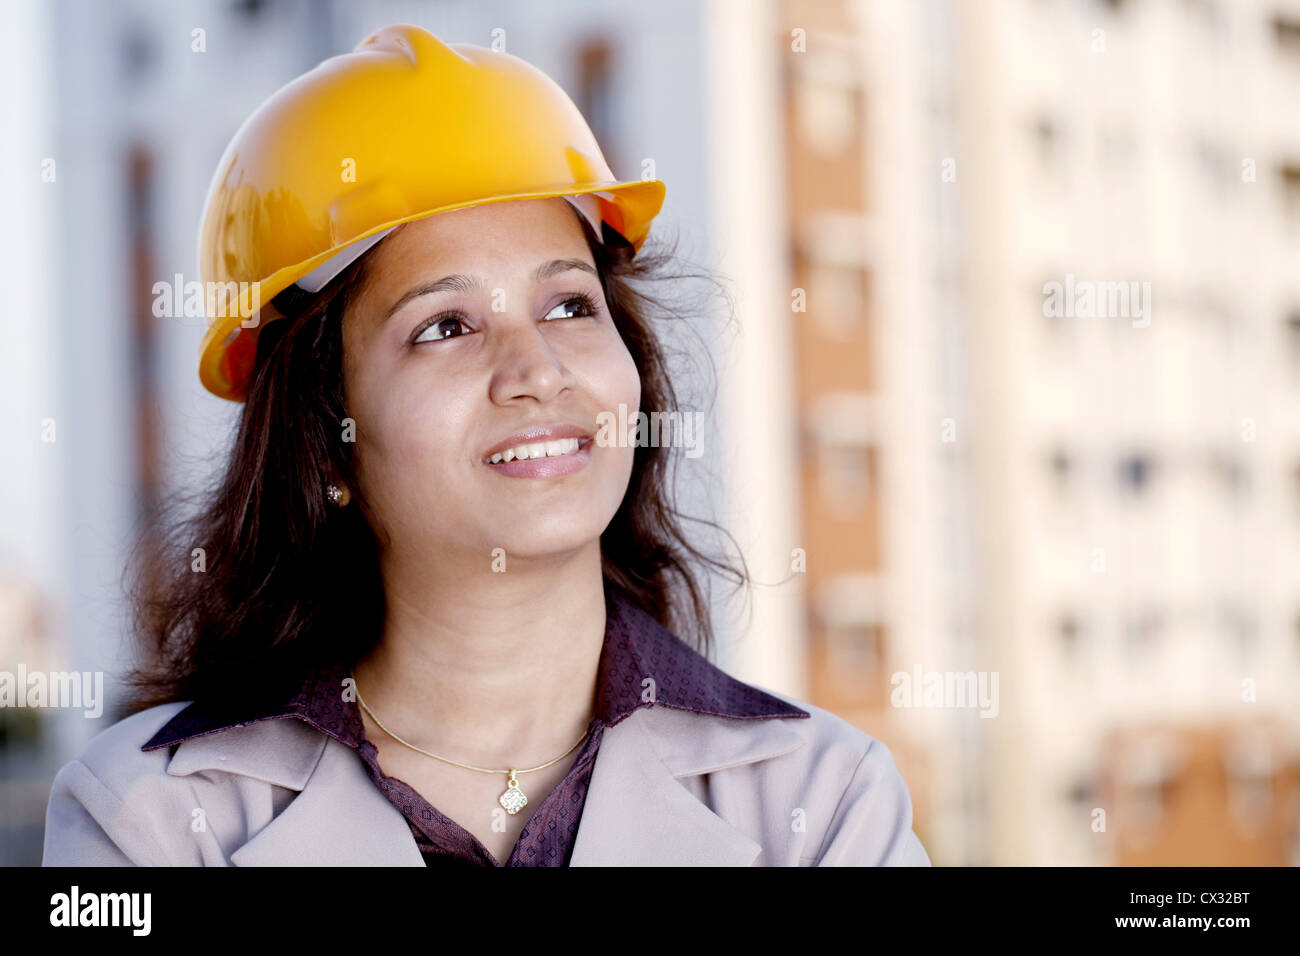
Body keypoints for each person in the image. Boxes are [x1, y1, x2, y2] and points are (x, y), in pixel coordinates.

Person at [40, 24, 930, 867]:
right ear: (324, 438)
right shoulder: (147, 821)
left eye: (570, 306)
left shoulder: (825, 801)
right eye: (445, 325)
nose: (536, 370)